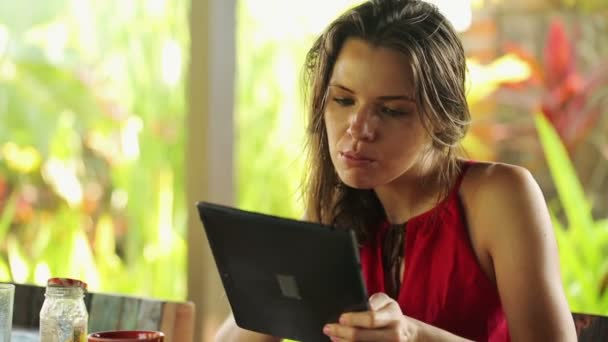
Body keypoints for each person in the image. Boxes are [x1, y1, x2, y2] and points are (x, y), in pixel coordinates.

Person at [216, 0, 577, 341]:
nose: (358, 128)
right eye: (343, 100)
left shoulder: (499, 196)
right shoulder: (334, 208)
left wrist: (414, 335)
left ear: (439, 117)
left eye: (391, 110)